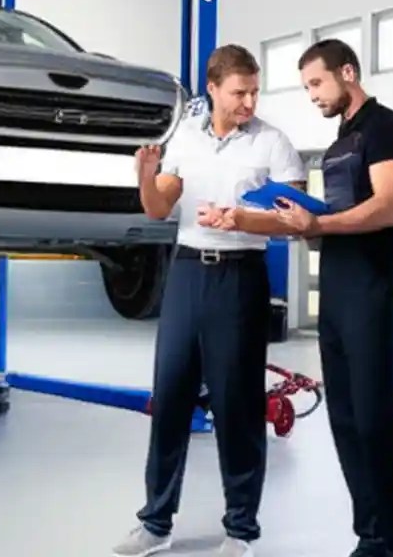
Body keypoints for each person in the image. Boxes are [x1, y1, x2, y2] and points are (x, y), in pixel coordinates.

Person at [112, 44, 307, 557]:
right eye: (239, 92)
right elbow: (158, 209)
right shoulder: (186, 138)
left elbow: (293, 221)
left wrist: (241, 219)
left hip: (241, 280)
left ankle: (240, 529)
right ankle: (156, 523)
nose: (249, 101)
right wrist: (144, 174)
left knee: (238, 406)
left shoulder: (273, 144)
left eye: (254, 91)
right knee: (170, 397)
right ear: (213, 88)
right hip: (186, 274)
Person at [272, 38, 393, 557]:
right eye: (307, 87)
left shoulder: (387, 129)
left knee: (377, 419)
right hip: (336, 296)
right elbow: (336, 221)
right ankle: (372, 535)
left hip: (372, 294)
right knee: (345, 419)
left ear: (348, 72)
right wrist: (306, 226)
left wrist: (319, 222)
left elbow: (387, 208)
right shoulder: (341, 141)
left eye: (317, 83)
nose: (312, 95)